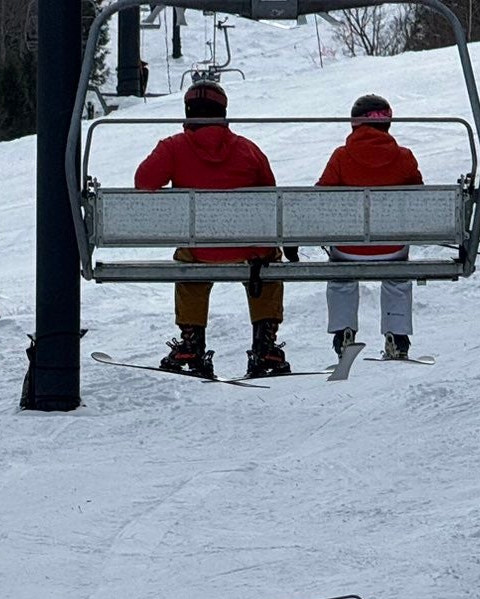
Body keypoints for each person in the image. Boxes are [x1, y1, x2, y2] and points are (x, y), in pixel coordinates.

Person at [134, 79, 290, 377]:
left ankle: (192, 344)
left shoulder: (174, 148)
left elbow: (144, 181)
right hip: (249, 251)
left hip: (200, 248)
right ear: (223, 112)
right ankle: (264, 347)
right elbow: (270, 199)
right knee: (268, 260)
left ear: (188, 112)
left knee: (188, 263)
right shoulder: (248, 150)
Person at [315, 93, 423, 360]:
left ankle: (344, 331)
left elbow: (319, 198)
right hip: (391, 247)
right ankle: (397, 337)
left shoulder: (341, 157)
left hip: (348, 248)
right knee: (397, 279)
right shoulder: (404, 157)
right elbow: (421, 200)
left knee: (342, 278)